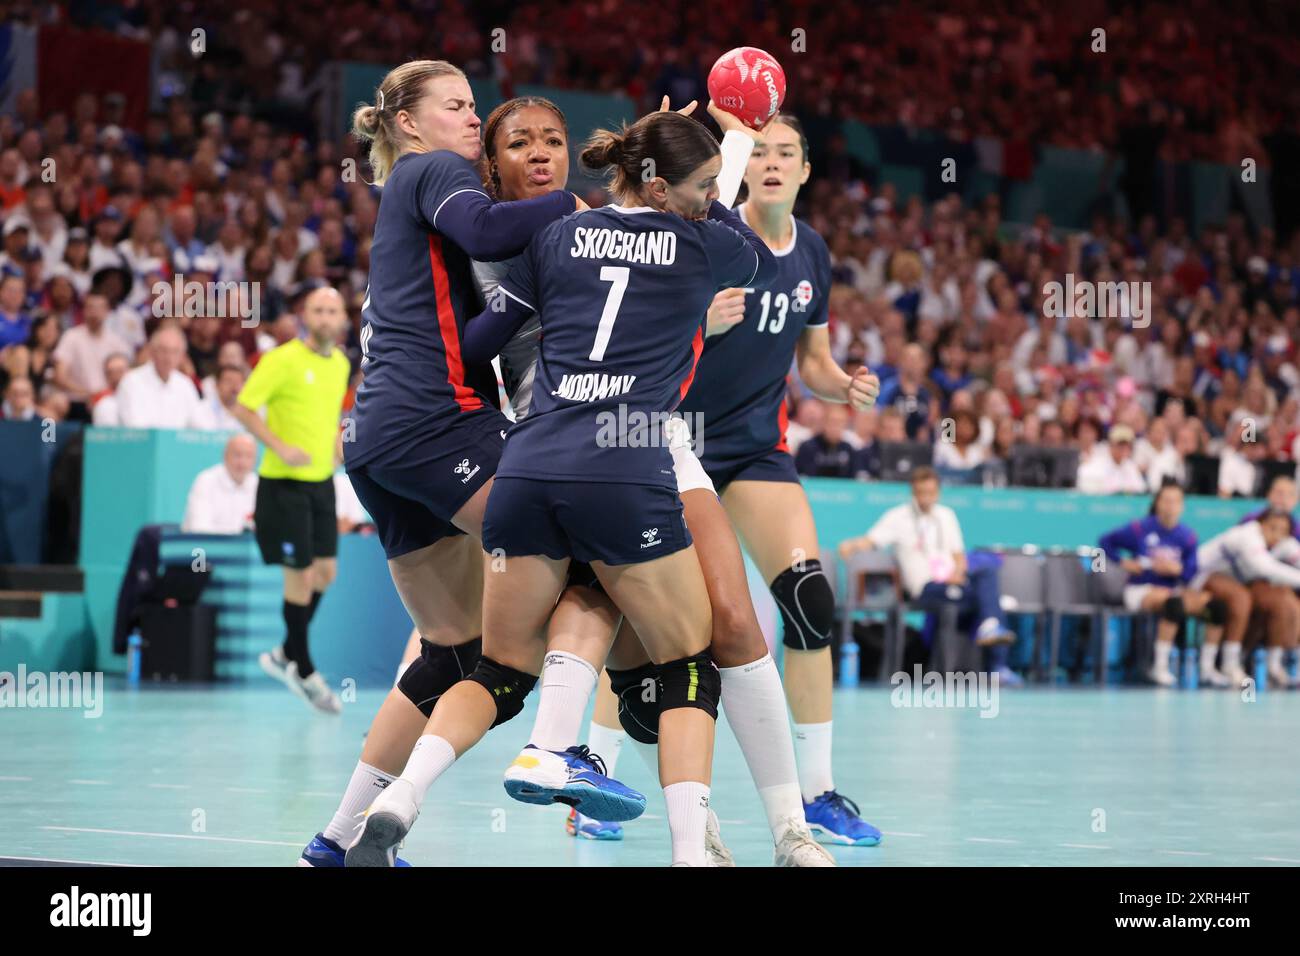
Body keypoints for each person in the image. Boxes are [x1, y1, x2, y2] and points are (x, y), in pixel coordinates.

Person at [349, 107, 778, 868]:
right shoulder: (698, 240)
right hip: (626, 457)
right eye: (702, 184)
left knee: (491, 667)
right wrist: (715, 191)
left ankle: (398, 801)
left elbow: (477, 342)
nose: (541, 155)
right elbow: (758, 260)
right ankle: (689, 847)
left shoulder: (546, 236)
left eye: (551, 141)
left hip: (526, 458)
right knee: (689, 659)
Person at [462, 96, 833, 864]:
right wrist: (720, 148)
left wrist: (695, 153)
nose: (542, 153)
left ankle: (789, 827)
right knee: (632, 655)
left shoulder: (581, 223)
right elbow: (713, 226)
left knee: (731, 624)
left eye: (554, 141)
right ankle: (659, 812)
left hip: (644, 439)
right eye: (522, 142)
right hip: (556, 447)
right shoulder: (507, 234)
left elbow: (679, 213)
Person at [295, 61, 582, 867]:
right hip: (437, 425)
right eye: (455, 105)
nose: (471, 117)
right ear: (410, 125)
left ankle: (339, 839)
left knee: (451, 650)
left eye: (472, 105)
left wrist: (521, 301)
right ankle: (560, 750)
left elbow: (479, 333)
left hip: (379, 442)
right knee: (586, 555)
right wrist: (585, 205)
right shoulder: (435, 170)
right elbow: (493, 232)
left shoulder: (414, 197)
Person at [232, 287, 350, 713]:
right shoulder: (280, 359)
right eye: (317, 310)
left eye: (332, 311)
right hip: (282, 484)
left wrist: (337, 448)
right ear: (305, 315)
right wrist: (279, 447)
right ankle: (304, 668)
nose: (324, 318)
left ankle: (284, 653)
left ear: (341, 319)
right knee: (298, 577)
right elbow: (243, 408)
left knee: (326, 574)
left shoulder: (340, 364)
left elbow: (330, 416)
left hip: (322, 482)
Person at [839, 467, 1020, 682]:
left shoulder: (947, 516)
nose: (925, 497)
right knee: (989, 600)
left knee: (987, 572)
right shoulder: (898, 517)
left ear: (938, 492)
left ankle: (991, 635)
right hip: (925, 587)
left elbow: (958, 555)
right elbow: (871, 540)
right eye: (921, 492)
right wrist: (850, 546)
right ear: (913, 492)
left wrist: (957, 573)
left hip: (952, 583)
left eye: (930, 492)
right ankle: (996, 661)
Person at [1098, 483, 1227, 686]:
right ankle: (1159, 666)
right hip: (1141, 589)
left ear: (1182, 506)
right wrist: (1123, 562)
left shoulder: (1188, 536)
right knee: (1173, 604)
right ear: (1157, 503)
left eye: (1175, 501)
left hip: (1173, 589)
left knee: (1215, 608)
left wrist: (1177, 570)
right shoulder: (1139, 528)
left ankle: (1207, 668)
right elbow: (1104, 542)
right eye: (1166, 500)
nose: (1170, 506)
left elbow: (1190, 573)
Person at [1193, 510, 1300, 688]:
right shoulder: (1247, 535)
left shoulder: (1284, 543)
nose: (1277, 534)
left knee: (1278, 599)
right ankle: (1229, 664)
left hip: (1234, 583)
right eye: (1272, 527)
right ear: (1261, 524)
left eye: (1283, 530)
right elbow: (1265, 568)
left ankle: (1273, 666)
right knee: (1241, 598)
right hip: (1200, 577)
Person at [115, 325, 203, 428]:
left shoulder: (186, 384)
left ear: (181, 356)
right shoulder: (131, 381)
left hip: (177, 444)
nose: (168, 358)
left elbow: (197, 426)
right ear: (152, 352)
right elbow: (134, 428)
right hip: (143, 443)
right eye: (164, 350)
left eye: (174, 352)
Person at [50, 292, 131, 404]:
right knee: (58, 400)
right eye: (90, 307)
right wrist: (88, 394)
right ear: (83, 311)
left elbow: (128, 376)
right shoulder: (71, 336)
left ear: (107, 311)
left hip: (110, 400)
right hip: (79, 400)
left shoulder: (117, 342)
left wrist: (105, 394)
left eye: (99, 308)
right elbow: (60, 376)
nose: (94, 312)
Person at [181, 433, 259, 534]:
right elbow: (199, 528)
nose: (242, 462)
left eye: (249, 456)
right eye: (237, 455)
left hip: (242, 547)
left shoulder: (258, 484)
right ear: (225, 456)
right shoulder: (206, 480)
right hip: (202, 547)